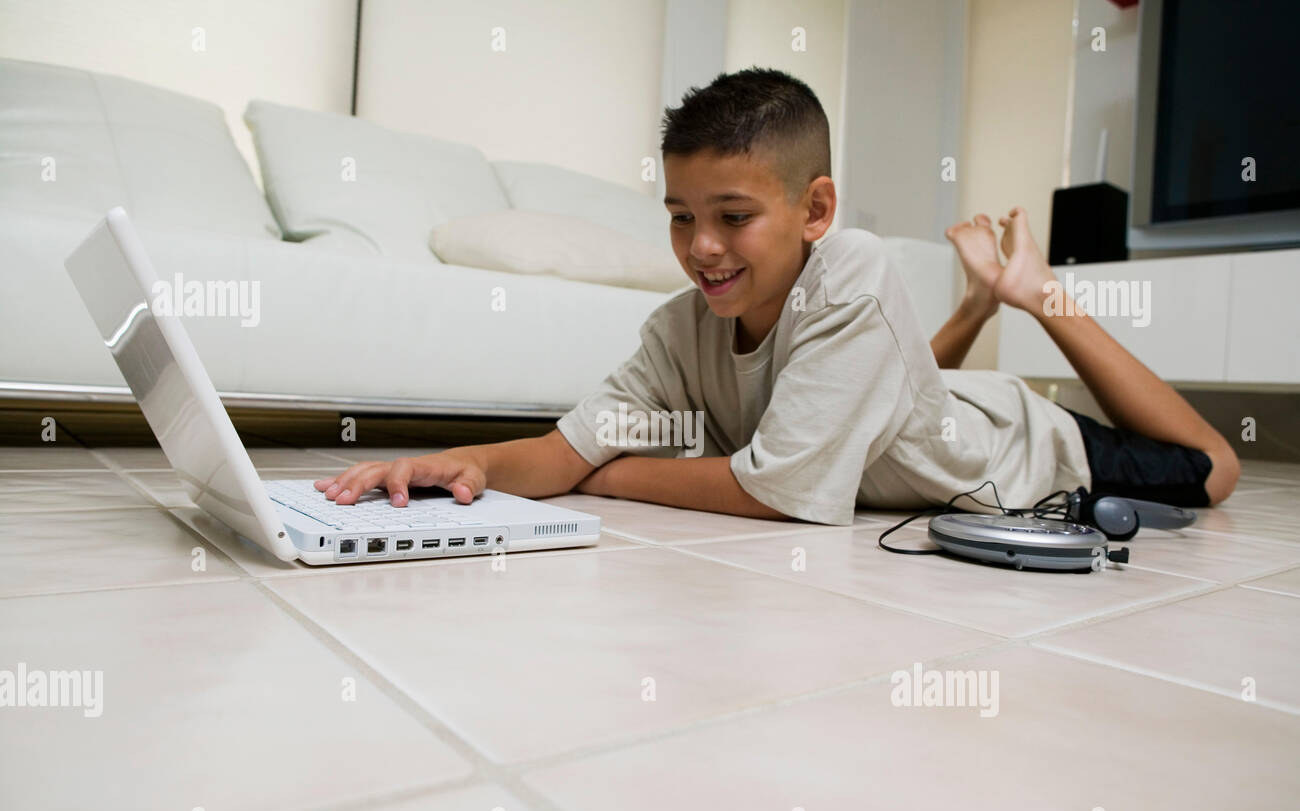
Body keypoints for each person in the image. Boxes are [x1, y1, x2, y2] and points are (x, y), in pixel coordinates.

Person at [314, 68, 1238, 524]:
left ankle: (1031, 294)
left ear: (816, 209)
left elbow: (788, 494)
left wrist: (604, 474)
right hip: (914, 411)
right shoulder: (678, 329)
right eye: (679, 216)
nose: (701, 247)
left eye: (732, 216)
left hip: (1021, 442)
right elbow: (562, 448)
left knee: (1216, 469)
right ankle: (980, 305)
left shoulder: (856, 266)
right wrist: (458, 459)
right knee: (898, 396)